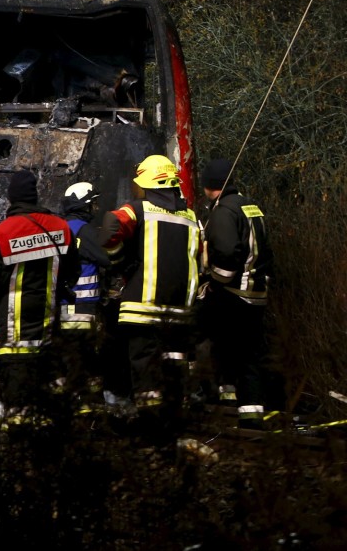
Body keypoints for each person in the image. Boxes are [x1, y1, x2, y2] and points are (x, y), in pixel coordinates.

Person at [99, 154, 200, 433]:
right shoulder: (190, 217)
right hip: (180, 311)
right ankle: (176, 417)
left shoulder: (138, 209)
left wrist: (116, 258)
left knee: (144, 365)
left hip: (143, 308)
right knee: (174, 362)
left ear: (148, 185)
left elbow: (109, 227)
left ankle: (151, 426)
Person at [0, 170, 79, 412]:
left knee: (18, 401)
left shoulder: (2, 234)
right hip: (49, 328)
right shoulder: (61, 228)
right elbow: (72, 271)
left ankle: (19, 438)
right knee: (48, 393)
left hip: (13, 331)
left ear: (11, 197)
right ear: (34, 196)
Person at [199, 157, 274, 430]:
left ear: (210, 186)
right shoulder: (251, 206)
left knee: (214, 338)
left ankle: (216, 396)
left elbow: (228, 253)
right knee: (250, 352)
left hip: (233, 292)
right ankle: (250, 411)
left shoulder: (223, 212)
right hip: (257, 292)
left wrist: (214, 281)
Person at [57, 182, 113, 405]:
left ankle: (71, 398)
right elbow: (108, 258)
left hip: (62, 304)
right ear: (85, 205)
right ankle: (88, 402)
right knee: (85, 354)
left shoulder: (60, 228)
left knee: (68, 354)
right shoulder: (85, 230)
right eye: (93, 204)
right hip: (83, 304)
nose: (95, 209)